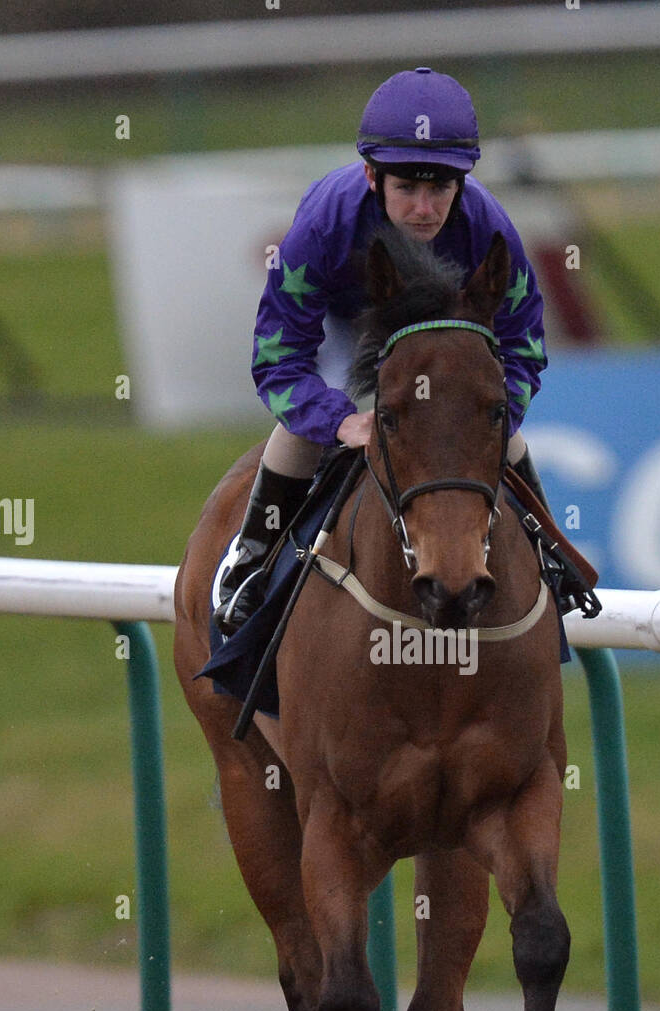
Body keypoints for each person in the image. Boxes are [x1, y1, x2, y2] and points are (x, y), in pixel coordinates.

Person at [215, 65, 561, 634]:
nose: (424, 209)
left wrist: (490, 416)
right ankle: (250, 560)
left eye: (440, 190)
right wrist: (341, 421)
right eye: (407, 188)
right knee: (305, 428)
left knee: (494, 425)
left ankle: (549, 557)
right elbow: (280, 359)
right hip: (346, 320)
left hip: (438, 329)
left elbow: (522, 350)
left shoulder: (487, 228)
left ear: (462, 184)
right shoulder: (325, 224)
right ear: (373, 177)